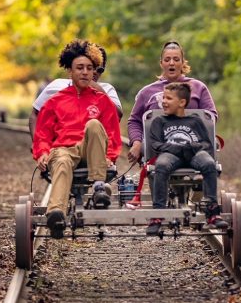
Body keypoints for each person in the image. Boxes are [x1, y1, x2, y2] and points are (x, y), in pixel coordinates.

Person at [32, 39, 122, 238]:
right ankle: (56, 214)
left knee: (94, 124)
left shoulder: (102, 100)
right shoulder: (55, 101)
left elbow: (113, 133)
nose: (85, 72)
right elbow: (42, 133)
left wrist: (110, 156)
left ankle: (99, 187)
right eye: (79, 68)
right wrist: (42, 153)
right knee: (62, 161)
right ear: (70, 72)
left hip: (91, 151)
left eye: (89, 68)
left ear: (94, 72)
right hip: (64, 149)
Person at [144, 82, 220, 236]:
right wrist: (179, 148)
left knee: (209, 163)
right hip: (171, 154)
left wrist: (192, 147)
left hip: (193, 154)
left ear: (182, 102)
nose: (163, 101)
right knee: (162, 165)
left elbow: (206, 143)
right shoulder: (160, 121)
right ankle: (158, 215)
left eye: (169, 98)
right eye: (163, 97)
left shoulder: (195, 120)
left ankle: (212, 210)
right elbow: (156, 144)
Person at [126, 40, 216, 163]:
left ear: (183, 62)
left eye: (176, 59)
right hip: (158, 148)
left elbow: (210, 117)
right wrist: (136, 143)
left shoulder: (198, 87)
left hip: (193, 147)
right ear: (161, 63)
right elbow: (134, 121)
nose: (171, 63)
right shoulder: (147, 92)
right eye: (167, 60)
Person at [28, 44, 123, 139]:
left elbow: (117, 116)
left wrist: (95, 88)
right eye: (87, 66)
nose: (94, 72)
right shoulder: (57, 85)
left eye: (99, 69)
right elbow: (35, 115)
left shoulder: (107, 89)